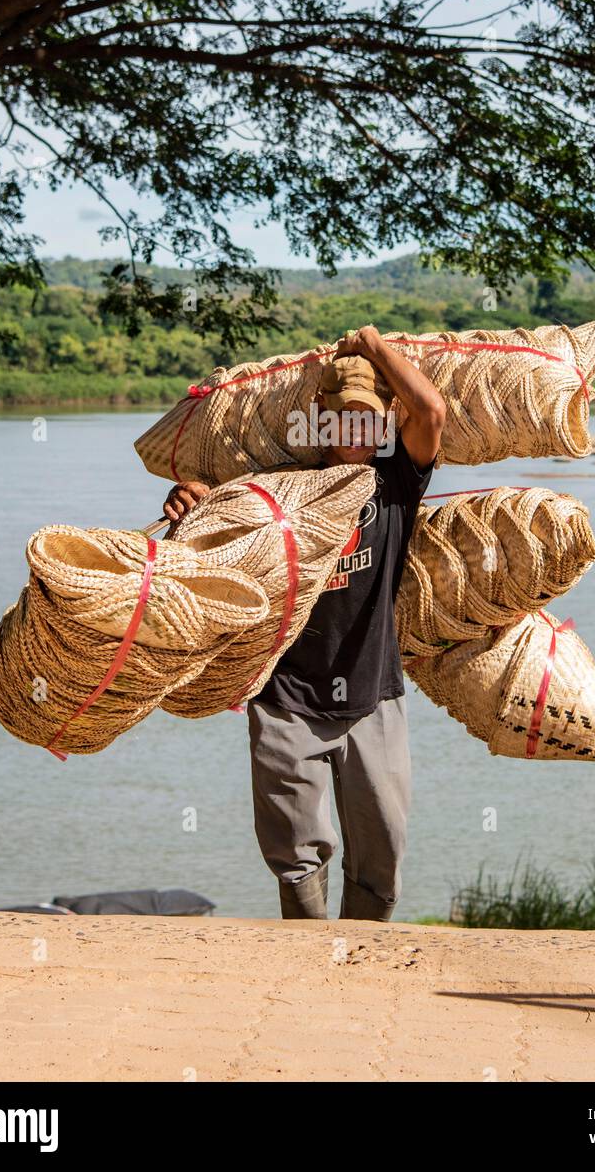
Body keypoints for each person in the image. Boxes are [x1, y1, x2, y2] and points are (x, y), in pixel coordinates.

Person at [163, 326, 446, 921]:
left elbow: (433, 410)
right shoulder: (280, 492)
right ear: (319, 419)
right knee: (294, 855)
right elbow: (214, 551)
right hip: (286, 697)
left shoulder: (394, 483)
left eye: (368, 420)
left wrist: (373, 348)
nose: (355, 433)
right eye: (342, 419)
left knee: (384, 853)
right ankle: (310, 967)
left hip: (373, 696)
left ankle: (361, 962)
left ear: (386, 421)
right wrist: (190, 505)